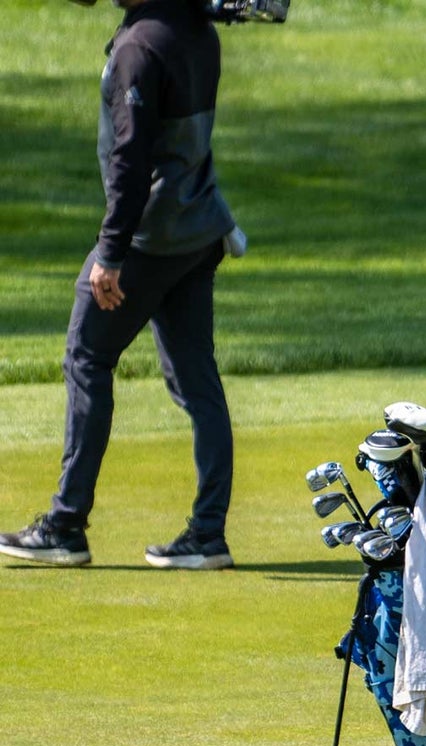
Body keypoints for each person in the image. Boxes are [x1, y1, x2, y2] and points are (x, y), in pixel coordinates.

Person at [0, 0, 241, 569]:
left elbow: (132, 163)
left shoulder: (138, 48)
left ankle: (65, 525)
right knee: (196, 379)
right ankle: (208, 534)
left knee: (86, 358)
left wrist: (109, 254)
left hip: (147, 241)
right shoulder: (197, 30)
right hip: (197, 231)